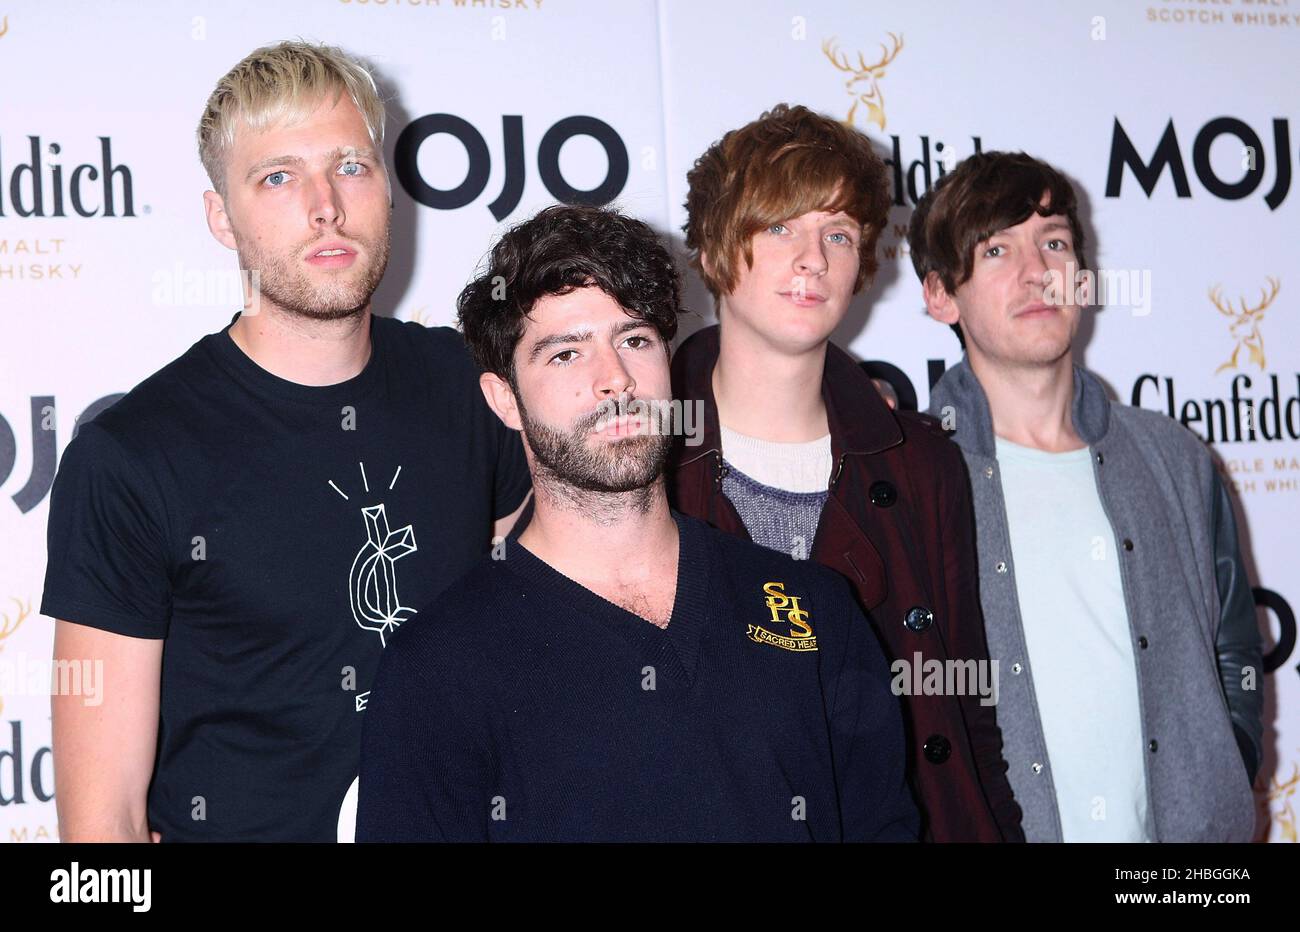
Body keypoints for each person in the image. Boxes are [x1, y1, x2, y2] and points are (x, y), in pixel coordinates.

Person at [41, 41, 530, 842]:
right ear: (220, 218)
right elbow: (101, 837)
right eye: (277, 177)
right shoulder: (130, 457)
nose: (324, 205)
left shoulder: (467, 384)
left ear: (389, 188)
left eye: (350, 166)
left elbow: (549, 632)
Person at [355, 204, 918, 842]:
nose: (615, 380)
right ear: (503, 399)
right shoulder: (436, 670)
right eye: (566, 354)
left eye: (634, 340)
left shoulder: (812, 609)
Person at [669, 104, 1022, 841]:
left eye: (838, 234)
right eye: (779, 227)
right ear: (710, 251)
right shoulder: (647, 454)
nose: (812, 259)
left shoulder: (923, 463)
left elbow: (967, 719)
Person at [910, 150, 1263, 842]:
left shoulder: (1174, 458)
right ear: (940, 295)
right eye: (996, 249)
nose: (1037, 271)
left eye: (1054, 242)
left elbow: (1236, 650)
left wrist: (1229, 764)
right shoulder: (913, 478)